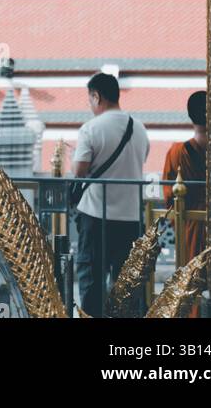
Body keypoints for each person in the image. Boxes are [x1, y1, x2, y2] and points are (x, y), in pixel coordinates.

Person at [72, 72, 150, 317]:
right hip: (131, 218)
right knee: (128, 284)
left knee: (92, 280)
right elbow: (140, 161)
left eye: (90, 99)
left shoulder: (91, 129)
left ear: (96, 97)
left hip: (97, 216)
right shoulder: (139, 128)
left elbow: (79, 172)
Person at [163, 91, 206, 263]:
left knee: (190, 282)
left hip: (190, 225)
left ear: (190, 115)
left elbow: (169, 197)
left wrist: (181, 224)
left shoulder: (177, 153)